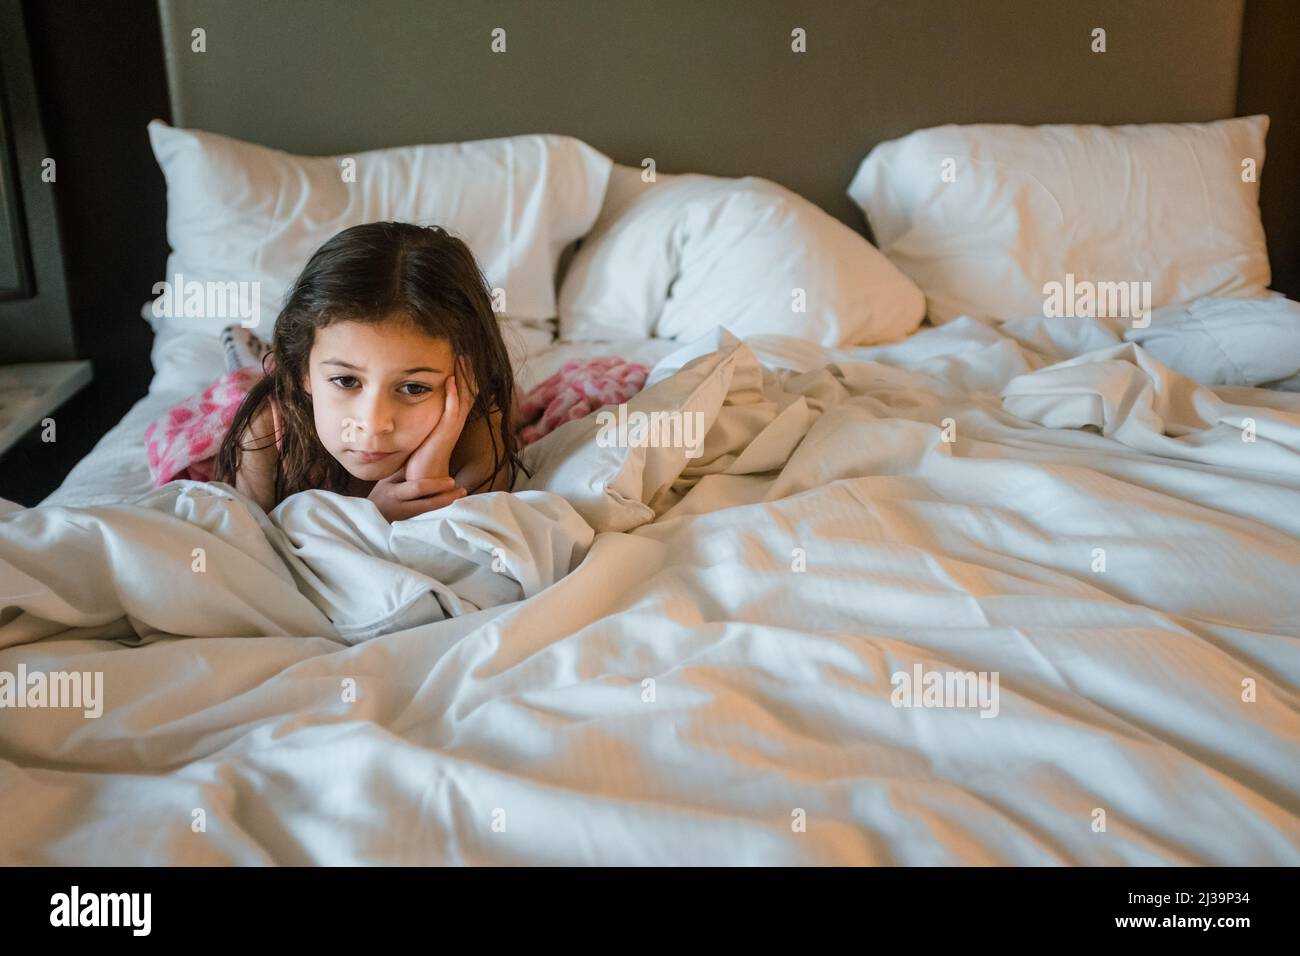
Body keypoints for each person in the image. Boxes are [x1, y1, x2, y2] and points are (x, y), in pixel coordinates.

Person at [206, 221, 528, 521]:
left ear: (464, 378)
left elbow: (455, 543)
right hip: (284, 392)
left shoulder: (478, 421)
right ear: (302, 369)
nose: (373, 425)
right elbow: (252, 552)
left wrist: (428, 473)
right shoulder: (266, 430)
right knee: (248, 380)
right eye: (346, 381)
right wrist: (369, 518)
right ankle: (250, 352)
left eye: (414, 388)